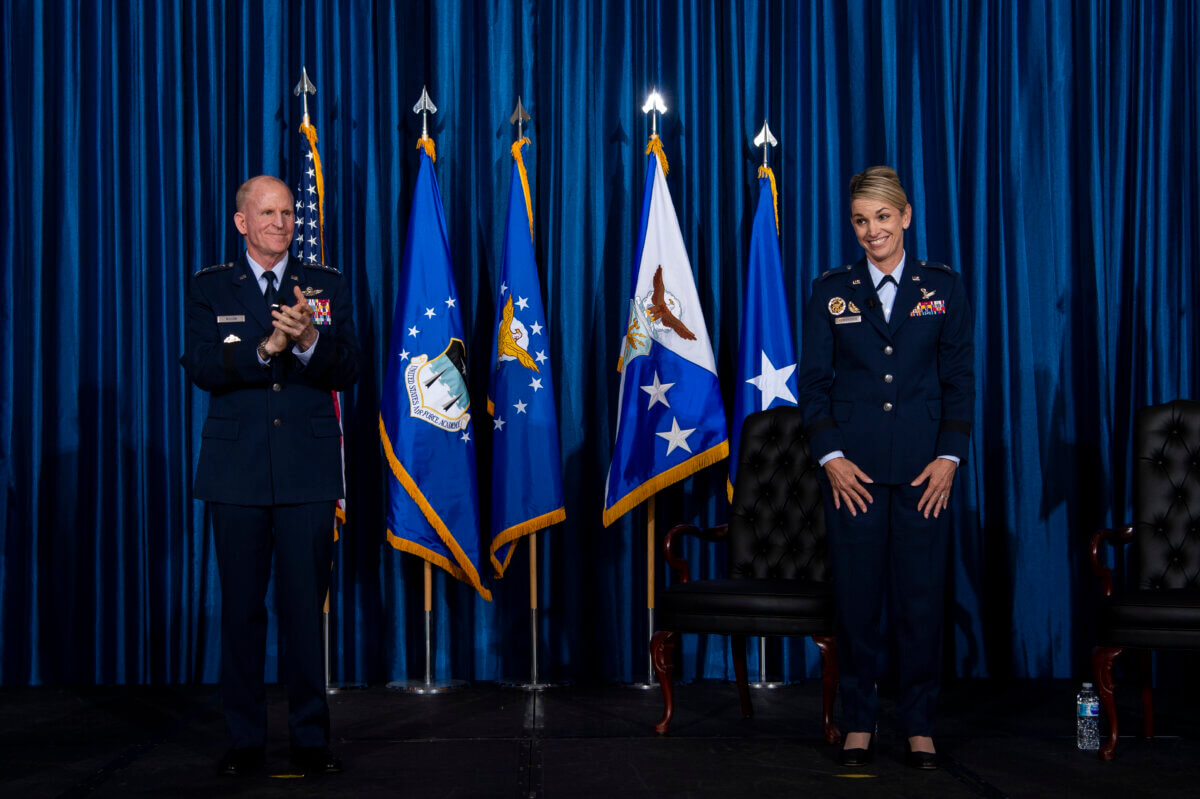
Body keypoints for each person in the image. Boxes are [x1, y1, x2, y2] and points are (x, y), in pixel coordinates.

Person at [181, 175, 361, 777]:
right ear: (242, 223)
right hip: (236, 478)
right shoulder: (212, 287)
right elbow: (203, 365)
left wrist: (309, 339)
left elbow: (349, 367)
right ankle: (245, 741)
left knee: (306, 612)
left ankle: (310, 739)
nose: (280, 223)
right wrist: (264, 349)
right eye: (266, 213)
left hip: (308, 475)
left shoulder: (325, 285)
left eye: (286, 212)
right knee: (241, 613)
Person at [796, 166, 974, 770]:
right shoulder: (831, 291)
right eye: (860, 220)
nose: (872, 231)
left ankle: (920, 725)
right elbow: (814, 387)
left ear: (906, 216)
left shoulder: (942, 288)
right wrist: (832, 458)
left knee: (922, 603)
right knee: (857, 604)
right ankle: (859, 722)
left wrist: (949, 457)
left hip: (927, 473)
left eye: (882, 217)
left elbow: (958, 382)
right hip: (855, 476)